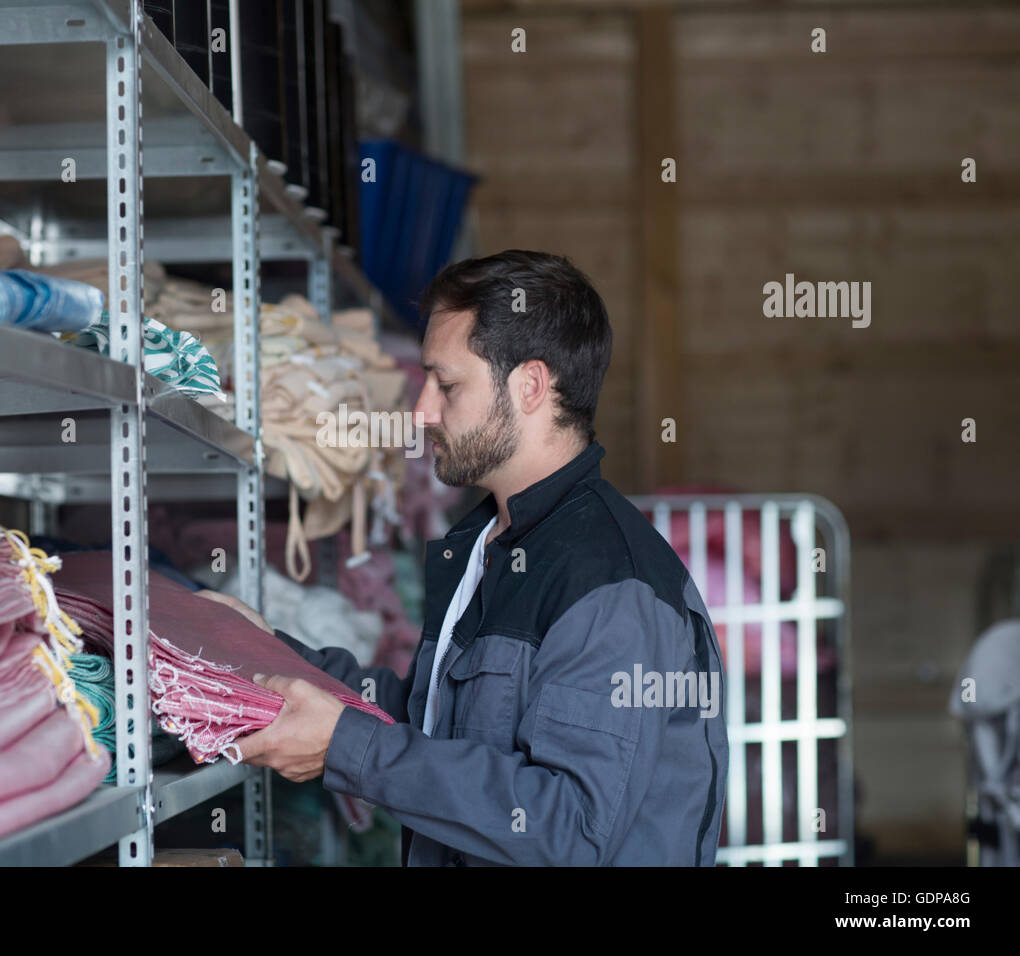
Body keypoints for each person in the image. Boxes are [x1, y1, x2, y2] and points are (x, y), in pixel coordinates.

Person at [219, 249, 729, 866]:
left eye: (448, 384)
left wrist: (347, 748)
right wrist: (257, 650)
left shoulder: (607, 581)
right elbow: (427, 722)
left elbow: (567, 830)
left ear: (531, 386)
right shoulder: (489, 541)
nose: (422, 411)